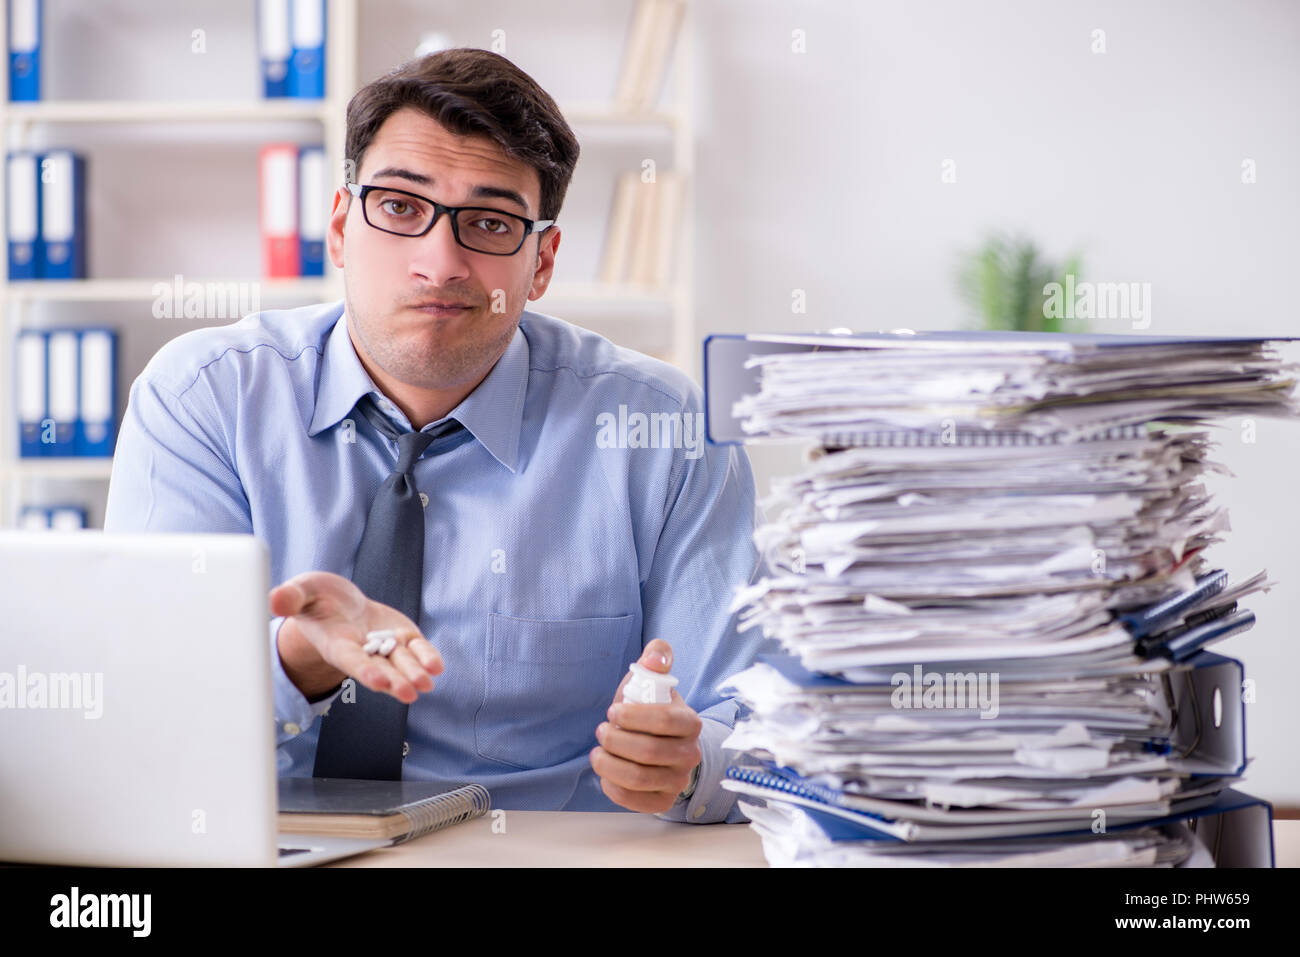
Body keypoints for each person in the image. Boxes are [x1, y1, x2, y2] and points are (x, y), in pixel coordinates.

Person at [104, 48, 764, 823]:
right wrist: (302, 654)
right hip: (263, 846)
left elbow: (754, 730)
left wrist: (687, 767)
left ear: (541, 261)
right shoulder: (203, 399)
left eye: (489, 222)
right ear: (343, 227)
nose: (439, 262)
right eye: (400, 207)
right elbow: (145, 713)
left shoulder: (665, 434)